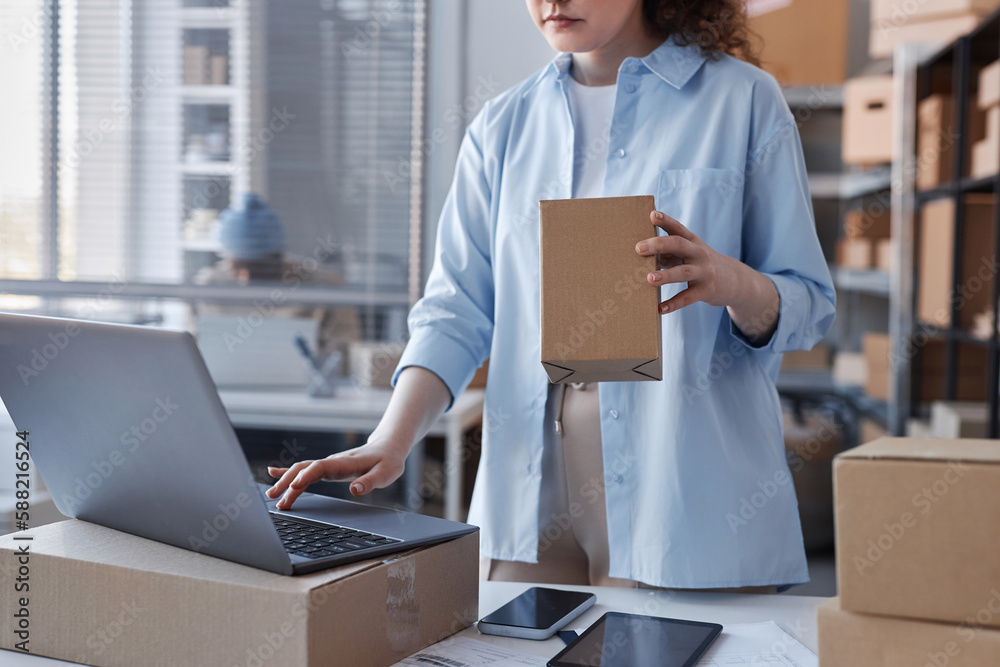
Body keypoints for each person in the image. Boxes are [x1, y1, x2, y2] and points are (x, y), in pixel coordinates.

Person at [268, 0, 835, 591]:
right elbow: (457, 309)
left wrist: (731, 281)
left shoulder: (742, 100)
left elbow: (810, 305)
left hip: (683, 488)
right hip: (528, 485)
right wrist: (392, 437)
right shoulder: (501, 124)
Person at [191, 192, 360, 358]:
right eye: (237, 268)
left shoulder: (324, 286)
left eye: (258, 267)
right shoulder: (208, 287)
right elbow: (191, 350)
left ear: (280, 256)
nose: (247, 277)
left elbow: (345, 354)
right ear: (227, 260)